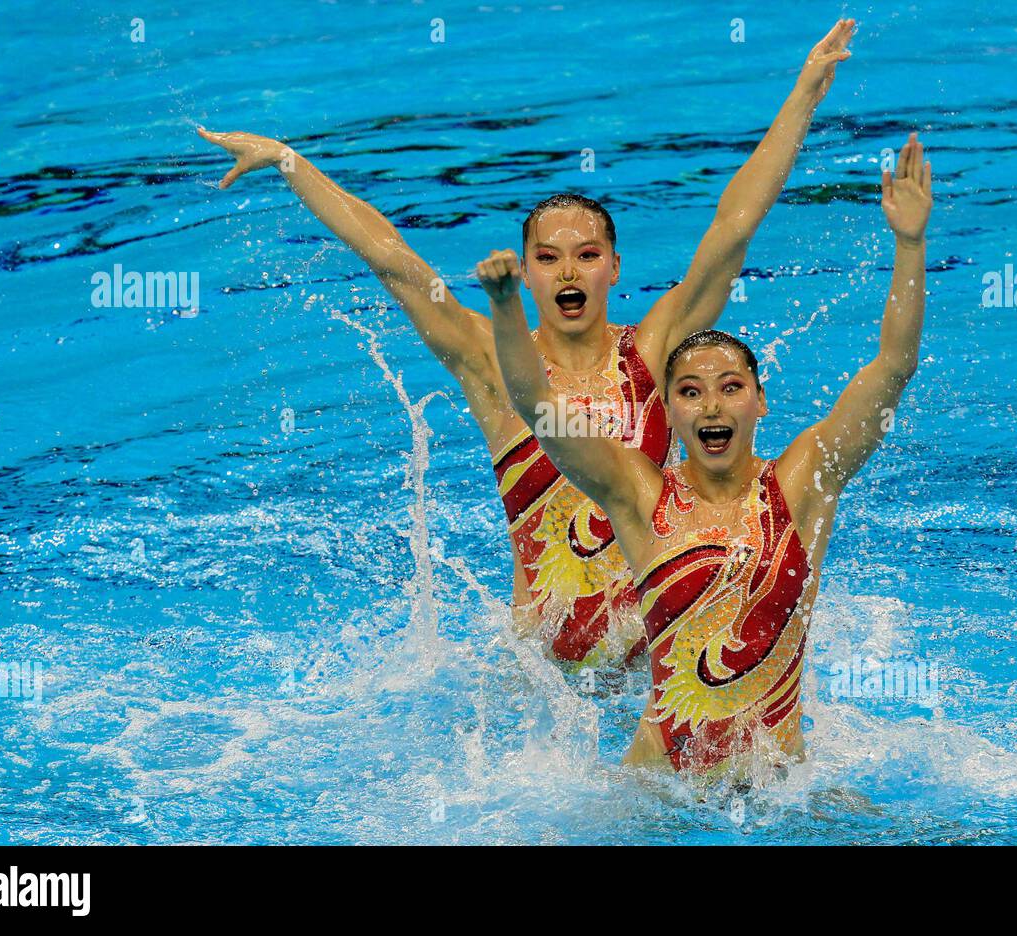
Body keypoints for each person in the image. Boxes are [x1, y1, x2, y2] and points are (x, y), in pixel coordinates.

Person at [196, 19, 855, 669]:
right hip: (544, 683)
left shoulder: (653, 356)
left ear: (615, 269)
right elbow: (389, 256)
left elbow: (732, 229)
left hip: (653, 663)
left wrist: (802, 96)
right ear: (527, 271)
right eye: (549, 258)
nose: (569, 272)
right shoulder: (491, 361)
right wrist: (289, 161)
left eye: (587, 254)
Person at [481, 133, 933, 774]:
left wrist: (910, 245)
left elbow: (893, 368)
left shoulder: (803, 484)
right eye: (690, 392)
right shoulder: (638, 496)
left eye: (731, 388)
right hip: (652, 798)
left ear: (760, 401)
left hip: (780, 791)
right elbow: (535, 405)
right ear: (669, 408)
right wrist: (504, 307)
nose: (712, 406)